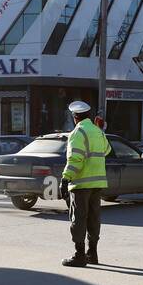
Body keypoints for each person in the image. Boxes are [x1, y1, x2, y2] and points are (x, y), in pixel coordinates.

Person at [61, 100, 109, 267]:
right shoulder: (98, 131)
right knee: (94, 219)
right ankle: (92, 253)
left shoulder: (78, 133)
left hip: (81, 184)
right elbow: (107, 150)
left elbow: (76, 159)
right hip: (98, 183)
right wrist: (102, 130)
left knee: (79, 219)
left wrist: (65, 178)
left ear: (75, 117)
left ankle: (79, 255)